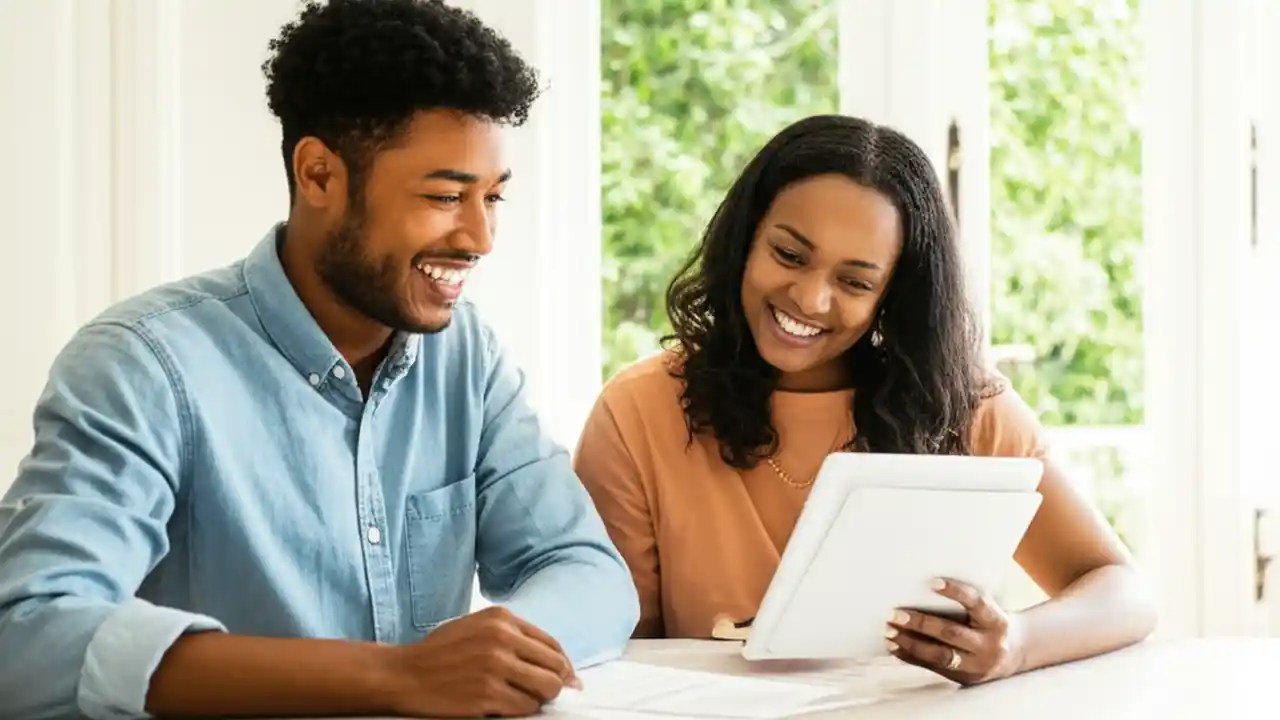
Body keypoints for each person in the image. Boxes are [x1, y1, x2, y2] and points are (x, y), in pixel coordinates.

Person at [0, 1, 638, 718]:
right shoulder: (143, 365)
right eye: (444, 196)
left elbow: (586, 571)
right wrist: (398, 678)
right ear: (319, 176)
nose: (481, 237)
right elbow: (28, 638)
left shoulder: (465, 359)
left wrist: (485, 658)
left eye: (492, 197)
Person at [574, 114, 1156, 685]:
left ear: (892, 298)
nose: (810, 298)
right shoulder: (639, 410)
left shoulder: (958, 402)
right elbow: (617, 653)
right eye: (789, 255)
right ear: (745, 238)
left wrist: (1016, 645)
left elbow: (1124, 591)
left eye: (854, 282)